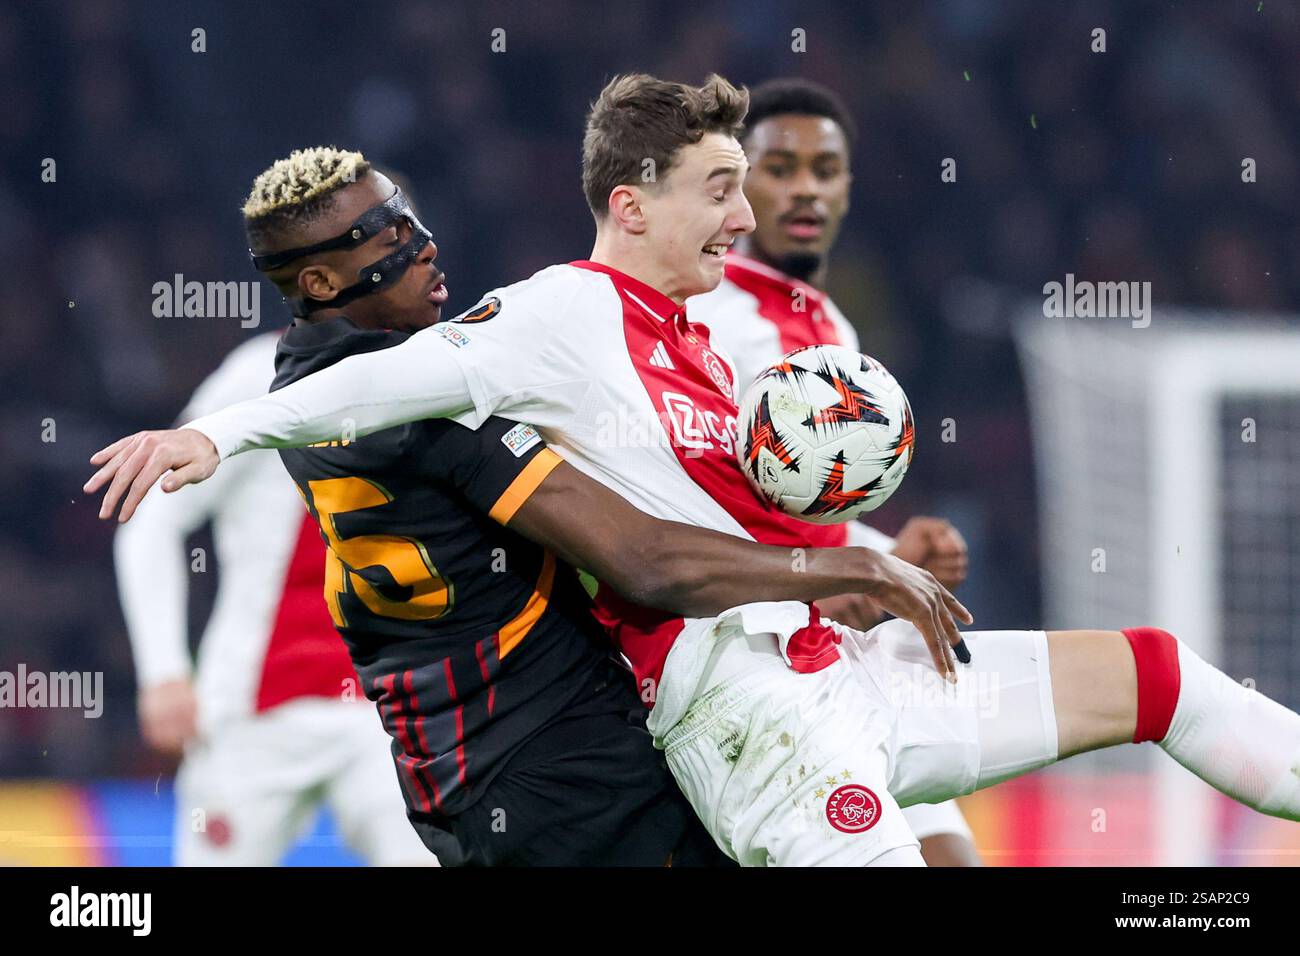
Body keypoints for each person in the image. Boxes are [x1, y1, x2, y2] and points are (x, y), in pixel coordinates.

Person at [87, 77, 1300, 866]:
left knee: (1162, 674)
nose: (747, 214)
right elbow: (385, 384)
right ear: (632, 201)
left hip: (844, 665)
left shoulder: (712, 339)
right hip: (744, 715)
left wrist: (872, 558)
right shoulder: (556, 315)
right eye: (723, 189)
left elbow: (722, 505)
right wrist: (220, 435)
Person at [688, 77, 978, 866]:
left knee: (949, 847)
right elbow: (701, 505)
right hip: (735, 669)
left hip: (822, 652)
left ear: (849, 187)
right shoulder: (703, 314)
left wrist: (887, 550)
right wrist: (853, 569)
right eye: (779, 167)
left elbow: (792, 507)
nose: (806, 187)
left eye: (826, 168)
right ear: (734, 186)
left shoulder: (827, 323)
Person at [116, 331, 434, 866]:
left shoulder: (436, 365)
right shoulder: (257, 372)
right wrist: (163, 671)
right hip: (251, 703)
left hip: (390, 709)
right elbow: (152, 519)